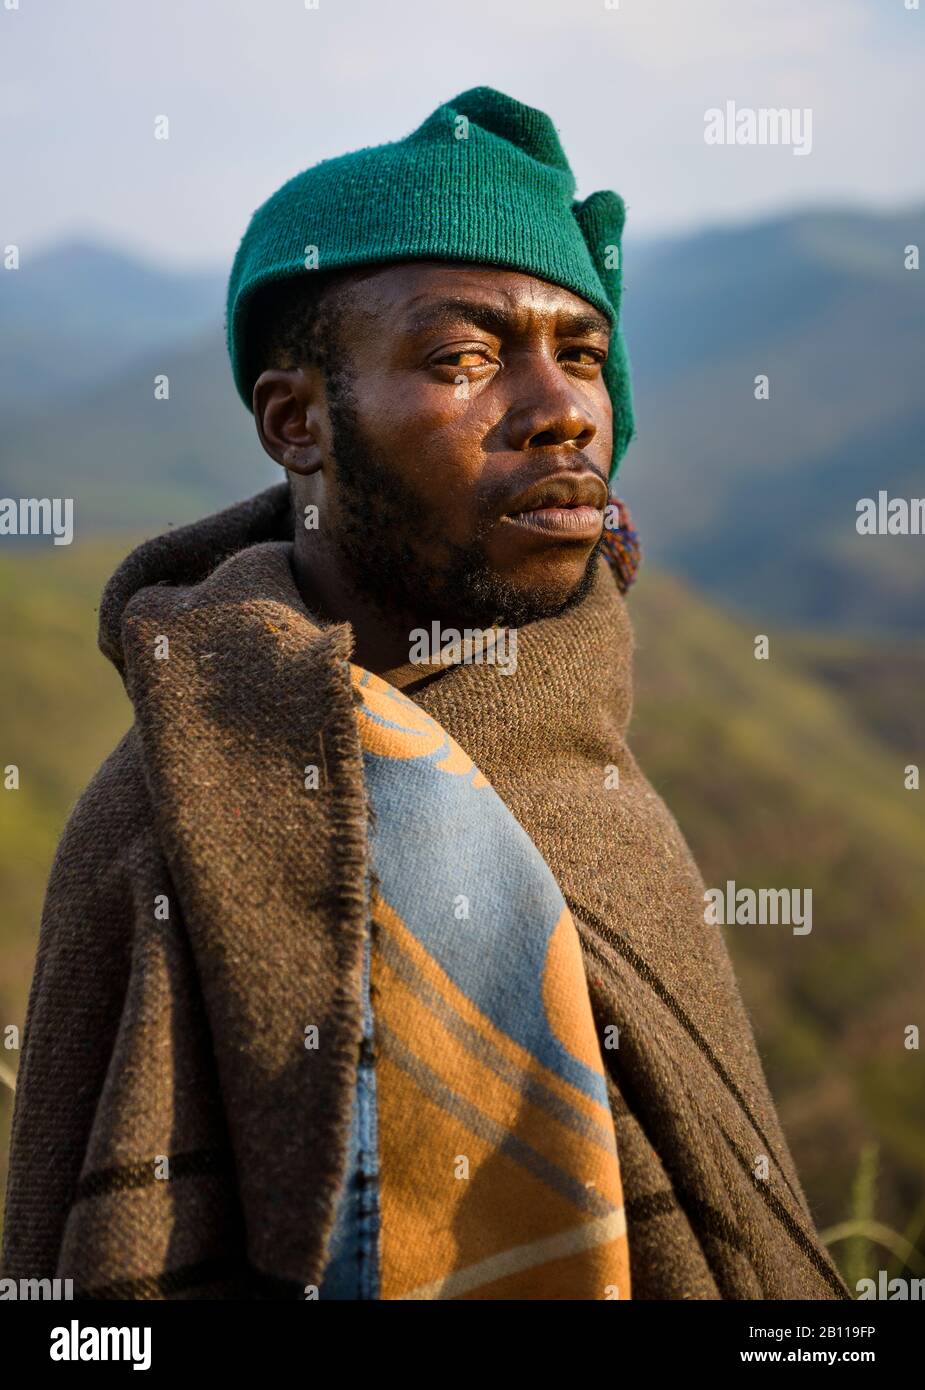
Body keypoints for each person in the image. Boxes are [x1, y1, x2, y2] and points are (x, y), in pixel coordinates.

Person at [1, 87, 848, 1301]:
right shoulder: (173, 819)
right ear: (298, 423)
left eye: (582, 355)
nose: (562, 409)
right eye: (464, 358)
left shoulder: (588, 768)